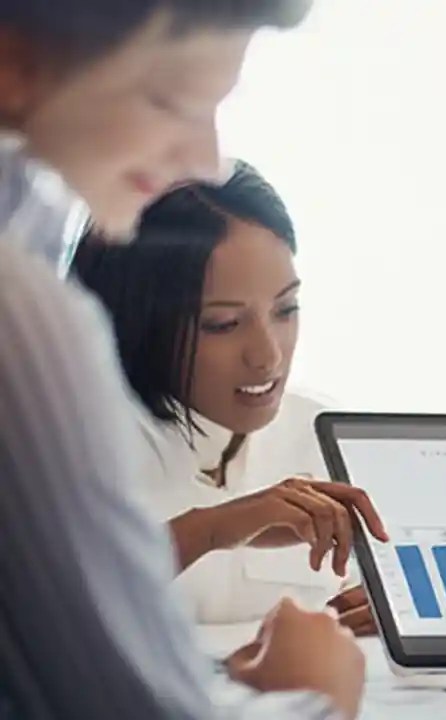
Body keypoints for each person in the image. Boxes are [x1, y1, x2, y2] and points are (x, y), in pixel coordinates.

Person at [0, 2, 368, 718]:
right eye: (172, 100)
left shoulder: (318, 429)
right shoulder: (28, 316)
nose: (205, 159)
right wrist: (317, 694)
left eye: (287, 308)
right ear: (14, 62)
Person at [70, 160, 387, 635]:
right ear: (137, 322)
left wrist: (390, 605)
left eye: (286, 309)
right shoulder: (68, 448)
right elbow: (49, 616)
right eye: (222, 324)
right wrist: (213, 528)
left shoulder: (322, 434)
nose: (267, 356)